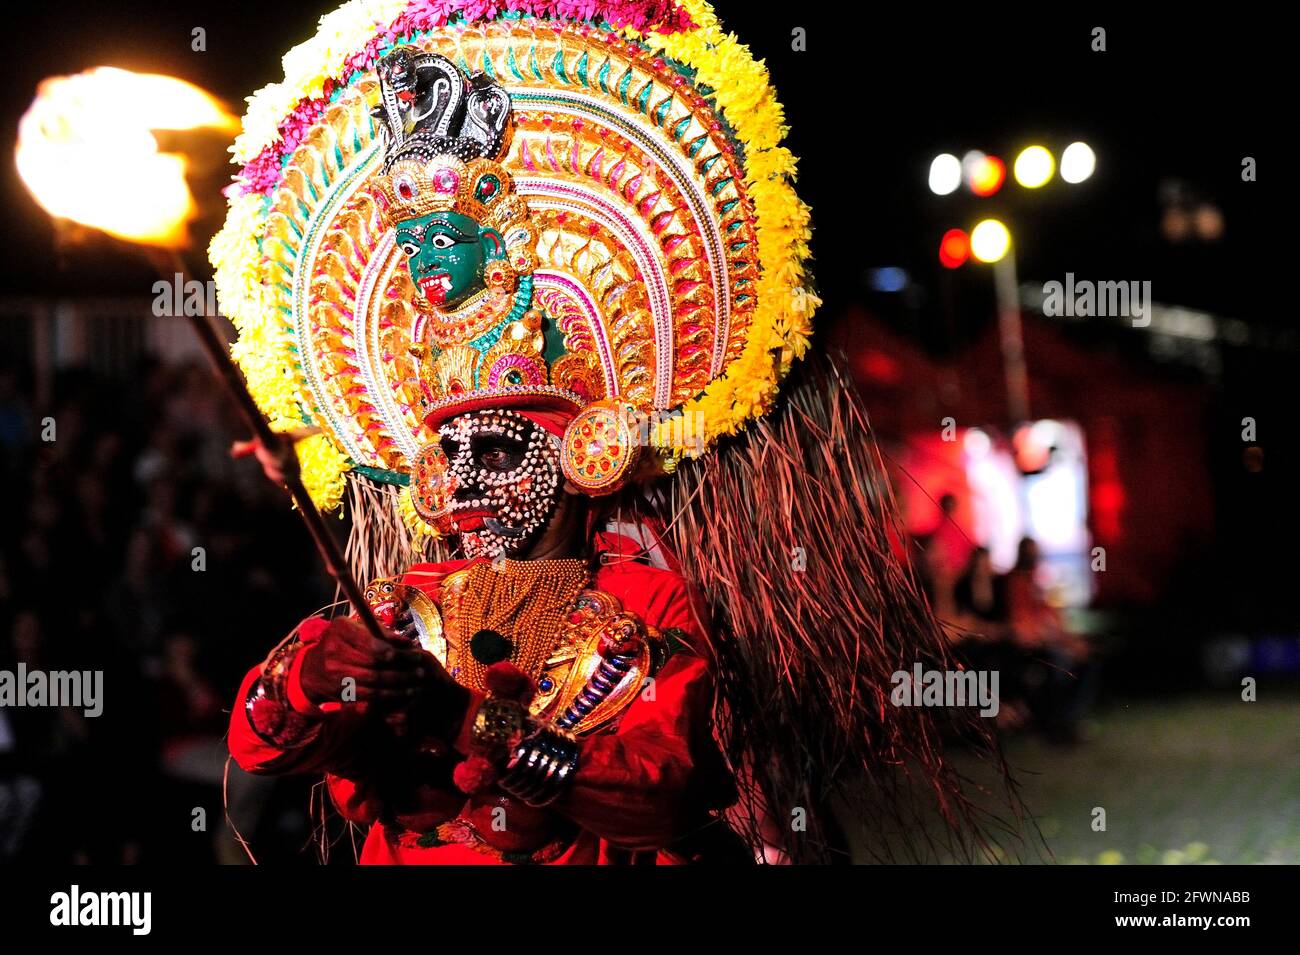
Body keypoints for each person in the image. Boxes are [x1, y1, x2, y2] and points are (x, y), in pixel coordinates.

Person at [218, 1, 1025, 864]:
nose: (462, 479)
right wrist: (309, 672)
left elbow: (657, 794)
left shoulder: (645, 603)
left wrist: (467, 719)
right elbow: (262, 747)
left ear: (586, 454)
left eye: (497, 451)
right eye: (447, 455)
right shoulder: (400, 608)